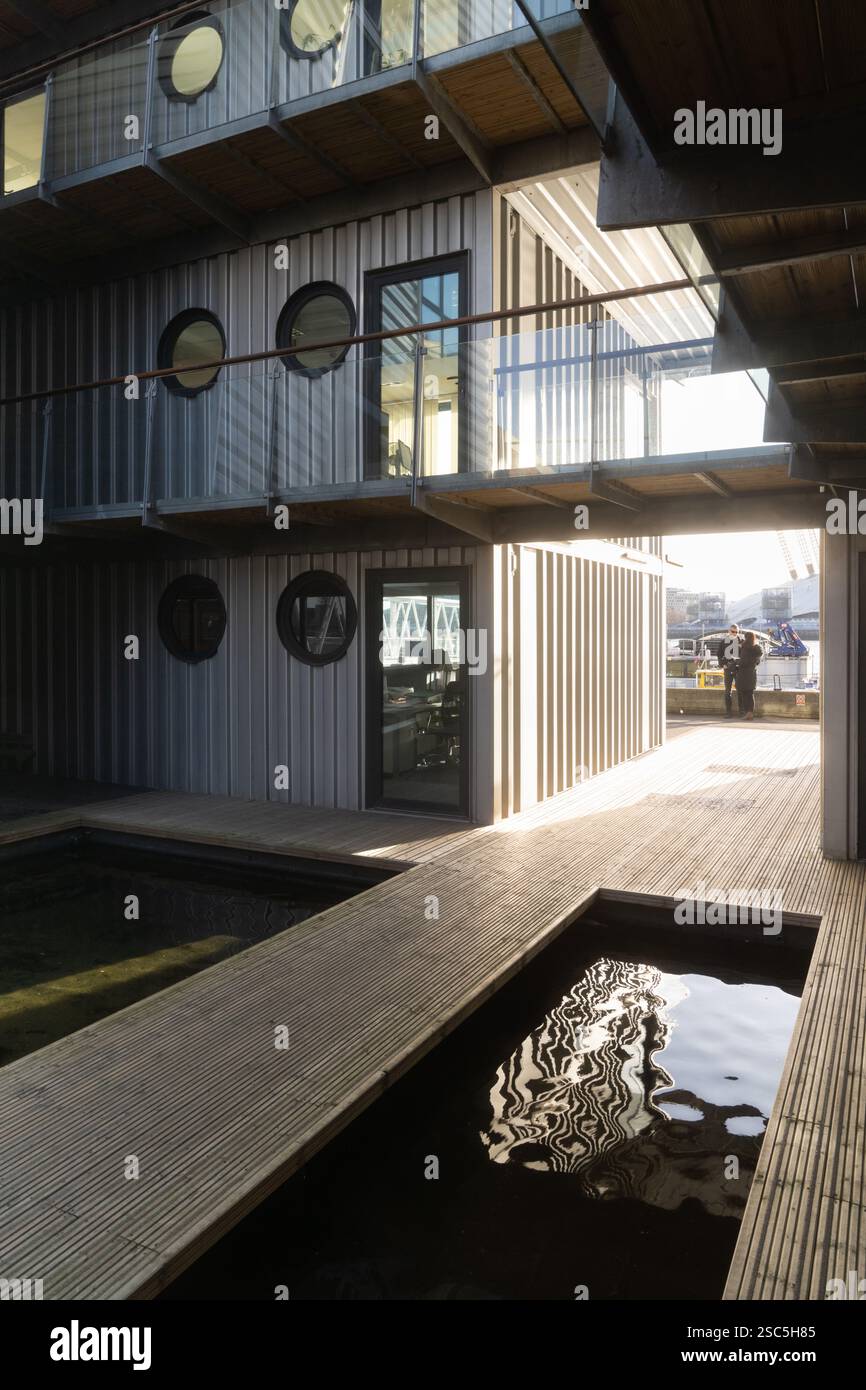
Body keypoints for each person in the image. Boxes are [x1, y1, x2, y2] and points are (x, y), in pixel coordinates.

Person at [715, 623, 743, 718]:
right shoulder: (724, 642)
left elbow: (744, 655)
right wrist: (722, 665)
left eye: (736, 632)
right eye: (733, 631)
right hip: (727, 668)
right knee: (728, 691)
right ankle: (728, 712)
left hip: (738, 669)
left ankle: (741, 711)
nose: (734, 633)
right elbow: (719, 654)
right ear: (729, 631)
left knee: (740, 690)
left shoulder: (741, 641)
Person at [736, 631, 762, 720]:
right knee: (750, 694)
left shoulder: (745, 648)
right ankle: (750, 713)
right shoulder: (756, 649)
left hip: (744, 673)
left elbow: (743, 661)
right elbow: (757, 661)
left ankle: (748, 713)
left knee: (744, 694)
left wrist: (737, 663)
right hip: (752, 673)